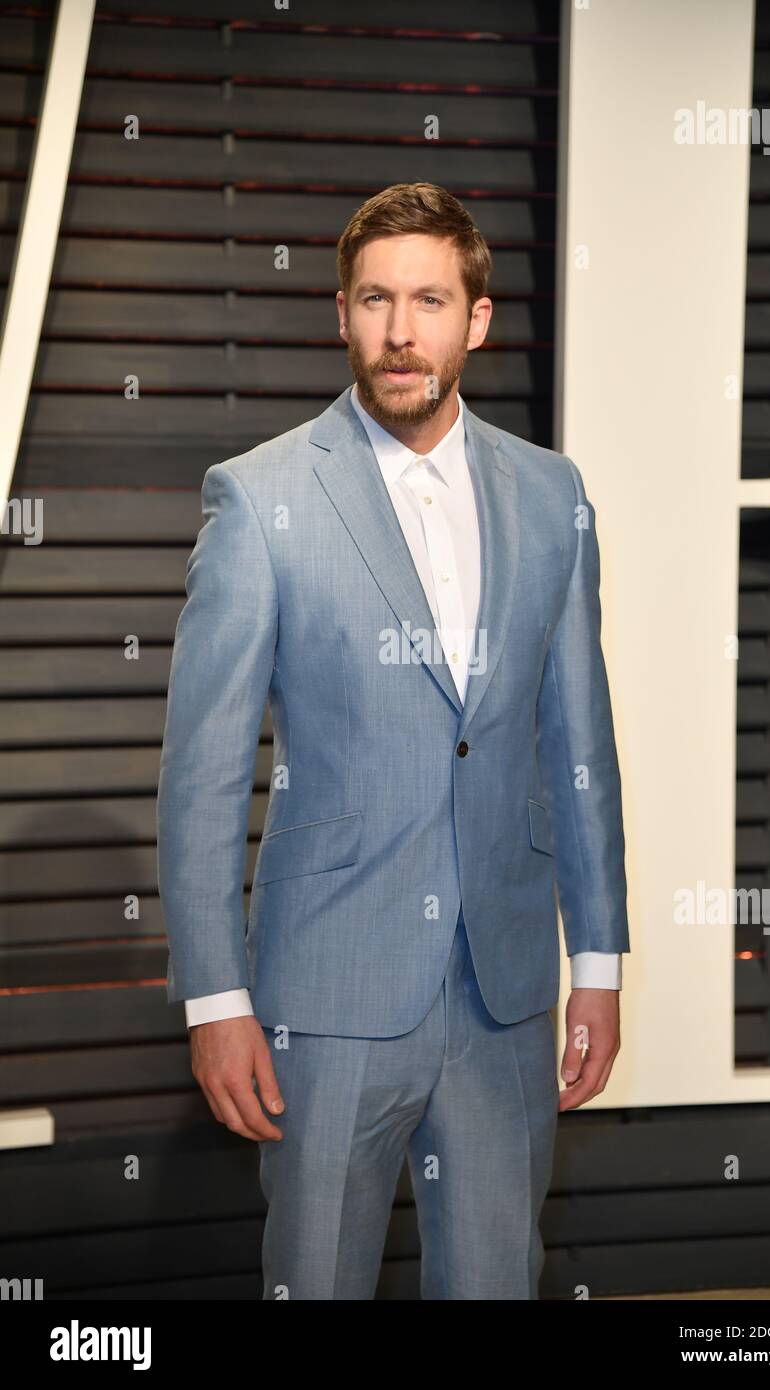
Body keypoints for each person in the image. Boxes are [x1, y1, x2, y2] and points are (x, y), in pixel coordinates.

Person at [157, 181, 629, 1300]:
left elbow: (579, 744)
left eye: (427, 299)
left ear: (475, 319)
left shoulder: (550, 493)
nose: (398, 330)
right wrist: (215, 1001)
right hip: (324, 999)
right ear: (341, 314)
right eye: (374, 299)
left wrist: (597, 962)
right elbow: (204, 772)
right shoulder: (259, 498)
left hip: (503, 994)